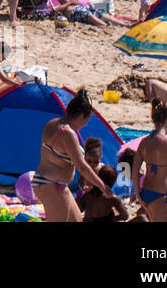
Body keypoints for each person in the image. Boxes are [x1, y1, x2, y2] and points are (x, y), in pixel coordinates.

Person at [30, 87, 110, 222]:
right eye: (86, 120)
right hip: (52, 185)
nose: (85, 124)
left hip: (49, 182)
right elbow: (82, 166)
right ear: (80, 116)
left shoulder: (53, 123)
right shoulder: (68, 133)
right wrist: (102, 186)